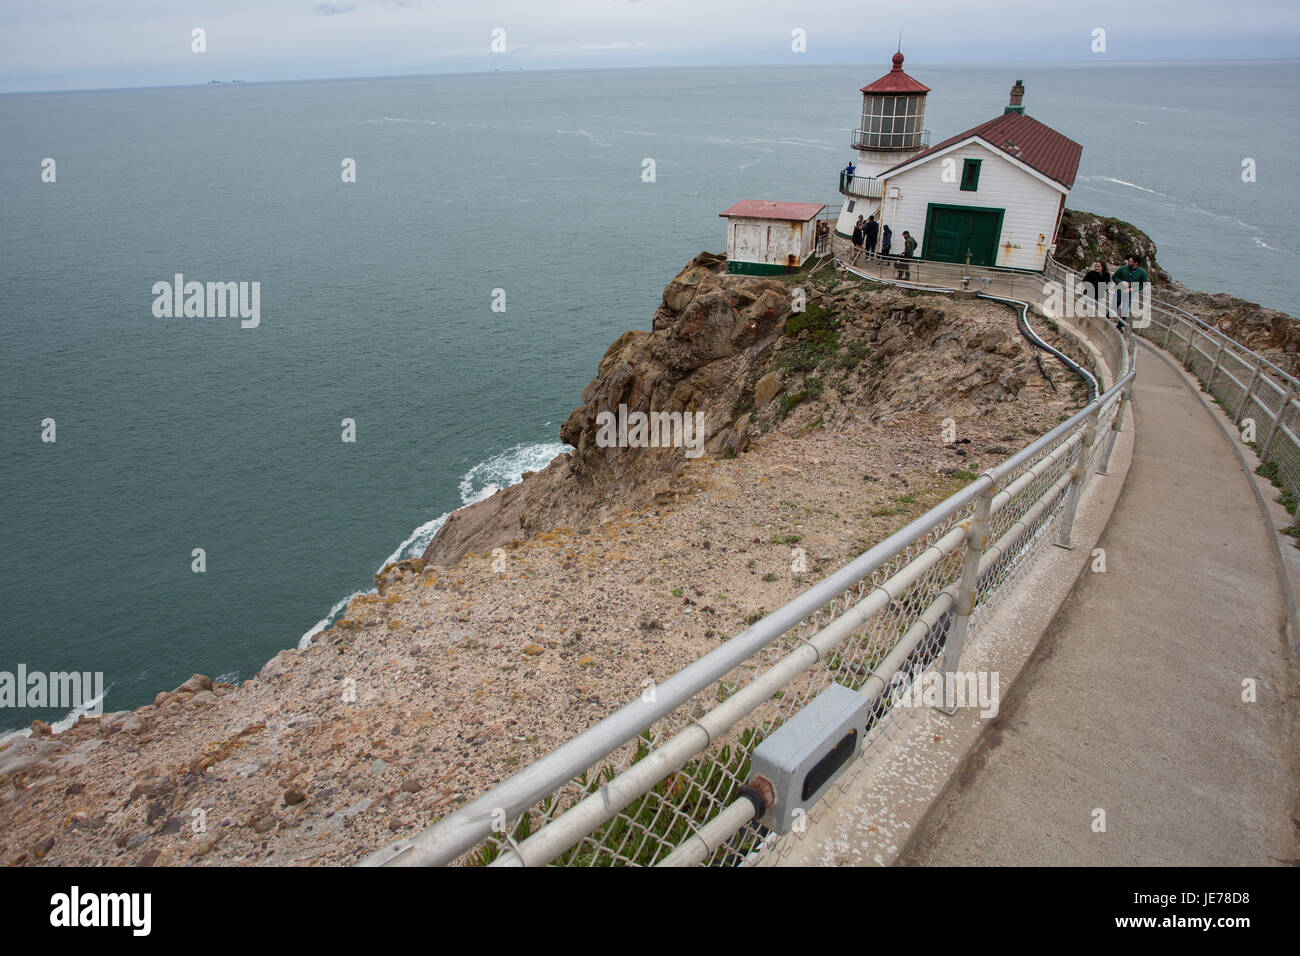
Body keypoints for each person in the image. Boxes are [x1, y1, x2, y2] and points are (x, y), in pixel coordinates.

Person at [1112, 254, 1150, 329]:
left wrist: (1134, 289)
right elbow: (1114, 277)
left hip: (1129, 294)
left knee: (1125, 311)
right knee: (1113, 307)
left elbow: (1145, 283)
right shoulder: (1123, 268)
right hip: (1119, 291)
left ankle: (1119, 327)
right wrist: (1121, 282)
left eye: (1130, 261)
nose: (1128, 262)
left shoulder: (1142, 272)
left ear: (1136, 263)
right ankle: (1106, 322)